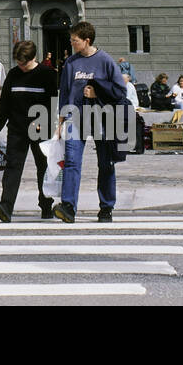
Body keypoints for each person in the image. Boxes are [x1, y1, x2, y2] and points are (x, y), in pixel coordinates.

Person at [53, 22, 125, 223]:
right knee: (72, 162)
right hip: (75, 118)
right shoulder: (71, 63)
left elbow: (120, 92)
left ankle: (106, 207)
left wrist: (97, 92)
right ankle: (68, 206)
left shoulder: (105, 61)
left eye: (74, 40)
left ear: (87, 40)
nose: (71, 43)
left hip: (104, 119)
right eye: (71, 39)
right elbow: (65, 94)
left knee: (106, 164)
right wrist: (59, 123)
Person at [0, 40, 58, 222]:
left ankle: (46, 206)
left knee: (43, 168)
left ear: (33, 57)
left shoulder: (47, 74)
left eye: (24, 63)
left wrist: (44, 123)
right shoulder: (13, 74)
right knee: (13, 167)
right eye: (18, 63)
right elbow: (4, 105)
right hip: (17, 129)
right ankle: (6, 206)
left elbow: (52, 104)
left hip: (40, 129)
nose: (21, 67)